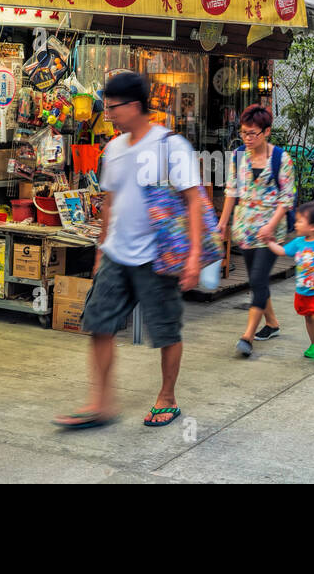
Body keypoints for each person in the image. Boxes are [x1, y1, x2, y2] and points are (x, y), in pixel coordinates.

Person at [53, 71, 203, 429]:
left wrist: (194, 257)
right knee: (99, 324)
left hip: (158, 256)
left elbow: (193, 201)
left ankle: (167, 397)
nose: (109, 114)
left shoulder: (171, 145)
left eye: (113, 108)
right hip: (117, 254)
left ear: (135, 106)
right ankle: (101, 403)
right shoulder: (114, 148)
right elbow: (110, 202)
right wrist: (102, 249)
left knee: (166, 330)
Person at [218, 104, 296, 357]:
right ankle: (272, 324)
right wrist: (223, 223)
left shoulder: (281, 158)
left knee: (259, 279)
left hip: (271, 231)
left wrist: (271, 226)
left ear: (267, 132)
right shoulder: (238, 155)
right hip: (245, 228)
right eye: (244, 133)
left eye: (253, 133)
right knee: (256, 279)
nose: (248, 138)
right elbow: (232, 191)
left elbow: (287, 199)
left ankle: (247, 336)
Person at [266, 202, 314, 362]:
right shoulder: (299, 242)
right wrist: (269, 242)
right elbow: (282, 251)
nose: (296, 224)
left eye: (300, 221)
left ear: (313, 226)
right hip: (303, 290)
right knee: (308, 317)